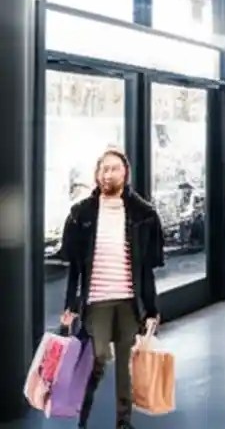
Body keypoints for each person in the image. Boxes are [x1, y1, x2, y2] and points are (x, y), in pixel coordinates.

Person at [59, 148, 164, 429]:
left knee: (125, 366)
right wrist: (70, 305)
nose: (108, 174)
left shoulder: (144, 215)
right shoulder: (81, 215)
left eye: (114, 168)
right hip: (96, 301)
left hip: (130, 300)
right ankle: (82, 419)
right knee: (98, 358)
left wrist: (152, 310)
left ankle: (123, 423)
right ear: (97, 174)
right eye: (103, 169)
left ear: (125, 172)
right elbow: (74, 267)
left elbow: (147, 270)